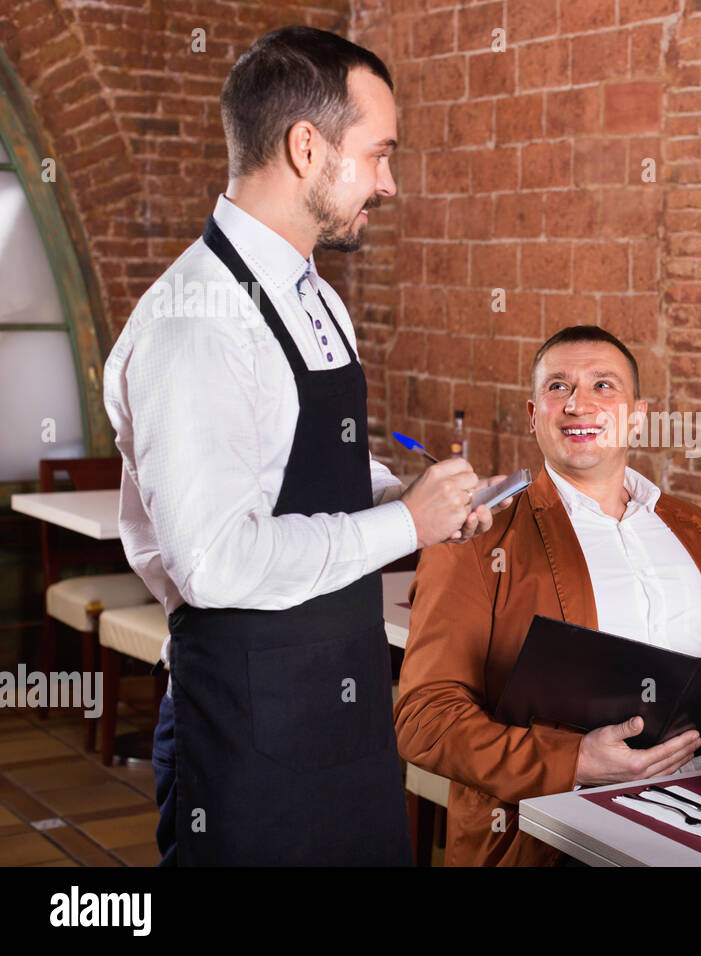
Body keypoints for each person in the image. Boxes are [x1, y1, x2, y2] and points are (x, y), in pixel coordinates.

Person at [104, 26, 503, 866]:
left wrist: (405, 498)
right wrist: (406, 529)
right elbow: (214, 562)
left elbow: (306, 467)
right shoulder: (195, 322)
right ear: (305, 147)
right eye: (379, 154)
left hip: (346, 711)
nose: (389, 184)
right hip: (246, 734)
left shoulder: (316, 295)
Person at [394, 325, 701, 866]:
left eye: (603, 386)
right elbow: (425, 718)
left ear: (638, 415)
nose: (579, 404)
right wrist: (573, 761)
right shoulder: (475, 536)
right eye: (558, 387)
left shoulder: (699, 529)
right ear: (535, 414)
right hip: (558, 836)